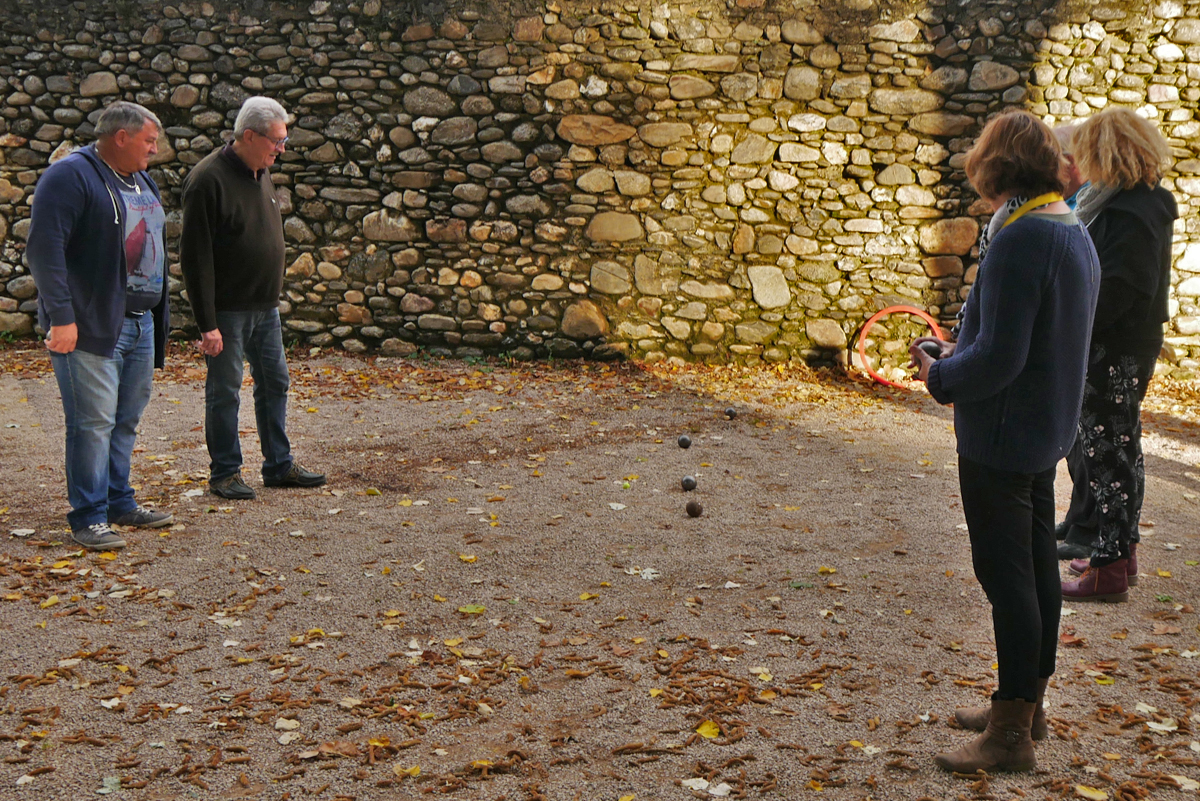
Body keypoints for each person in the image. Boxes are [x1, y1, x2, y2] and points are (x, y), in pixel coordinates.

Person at [909, 110, 1099, 773]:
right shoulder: (1068, 226)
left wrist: (939, 374)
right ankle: (1025, 705)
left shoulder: (1023, 237)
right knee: (1036, 567)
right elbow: (1028, 337)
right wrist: (958, 350)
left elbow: (1000, 358)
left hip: (1003, 431)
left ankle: (1011, 733)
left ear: (993, 167)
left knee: (1007, 575)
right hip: (1042, 427)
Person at [25, 102, 174, 550]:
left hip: (140, 323)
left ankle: (118, 501)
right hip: (90, 325)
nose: (155, 149)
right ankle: (88, 516)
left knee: (125, 420)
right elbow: (44, 249)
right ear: (121, 137)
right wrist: (62, 317)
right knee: (92, 424)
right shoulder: (69, 176)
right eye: (149, 141)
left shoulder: (140, 178)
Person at [179, 96, 325, 500]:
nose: (282, 149)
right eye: (277, 141)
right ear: (249, 135)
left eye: (284, 140)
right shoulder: (207, 180)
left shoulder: (262, 171)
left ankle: (278, 464)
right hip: (227, 311)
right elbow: (195, 258)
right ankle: (225, 473)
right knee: (225, 392)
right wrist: (206, 323)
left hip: (265, 308)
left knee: (275, 382)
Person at [1057, 109, 1177, 601]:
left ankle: (1107, 568)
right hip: (1123, 343)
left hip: (1115, 347)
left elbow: (1124, 288)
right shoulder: (1139, 202)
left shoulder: (1132, 209)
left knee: (1108, 453)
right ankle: (1119, 554)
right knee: (1121, 448)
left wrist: (1073, 322)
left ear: (1107, 152)